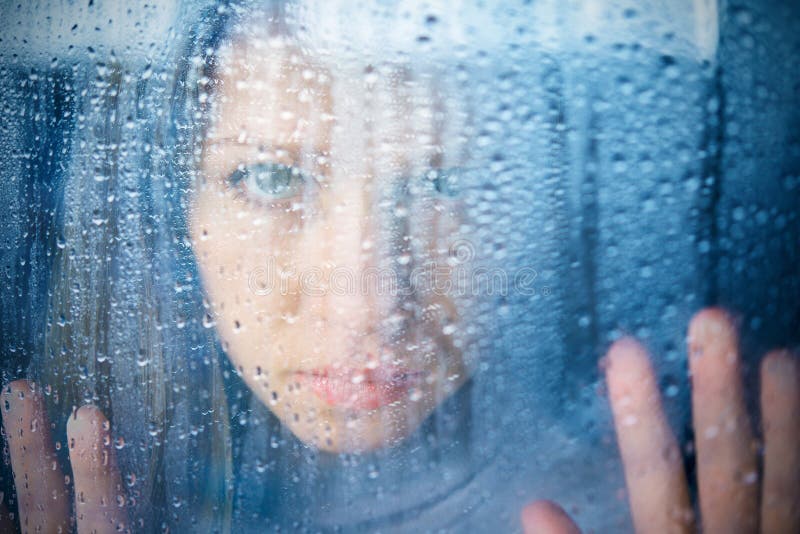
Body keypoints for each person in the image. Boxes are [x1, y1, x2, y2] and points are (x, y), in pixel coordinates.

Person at [1, 2, 798, 533]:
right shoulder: (105, 488)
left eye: (447, 185)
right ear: (175, 209)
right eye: (273, 178)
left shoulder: (623, 508)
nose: (371, 304)